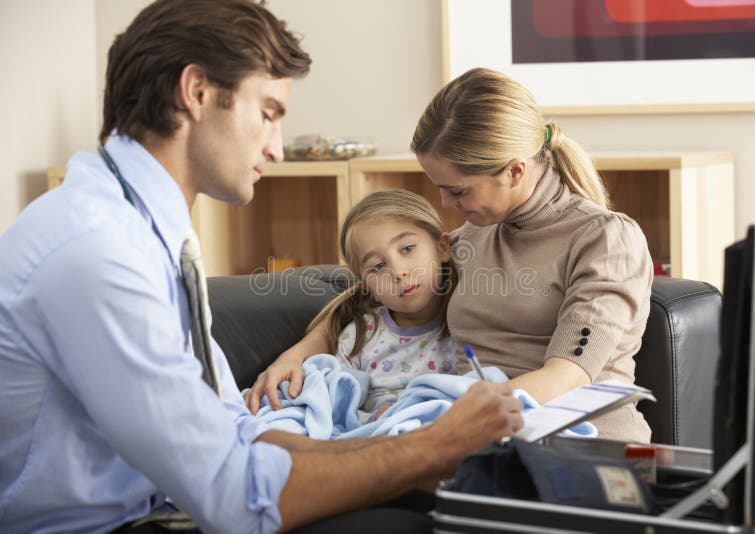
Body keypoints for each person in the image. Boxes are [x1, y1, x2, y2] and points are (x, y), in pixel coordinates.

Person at [0, 2, 523, 532]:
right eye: (269, 113)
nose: (277, 149)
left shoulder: (150, 233)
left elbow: (239, 435)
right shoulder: (99, 253)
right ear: (197, 92)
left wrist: (415, 448)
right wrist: (434, 448)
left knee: (441, 505)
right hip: (111, 526)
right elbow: (235, 501)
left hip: (171, 505)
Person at [253, 67, 652, 444]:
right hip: (477, 435)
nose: (444, 203)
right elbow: (367, 294)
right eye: (440, 188)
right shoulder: (475, 235)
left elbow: (567, 375)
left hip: (579, 441)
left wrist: (439, 422)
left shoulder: (606, 240)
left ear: (514, 171)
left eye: (458, 191)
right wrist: (298, 354)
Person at [245, 189, 458, 420]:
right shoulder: (358, 338)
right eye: (378, 266)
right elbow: (339, 408)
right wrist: (374, 418)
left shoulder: (468, 319)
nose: (398, 272)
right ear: (365, 284)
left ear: (442, 247)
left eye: (407, 249)